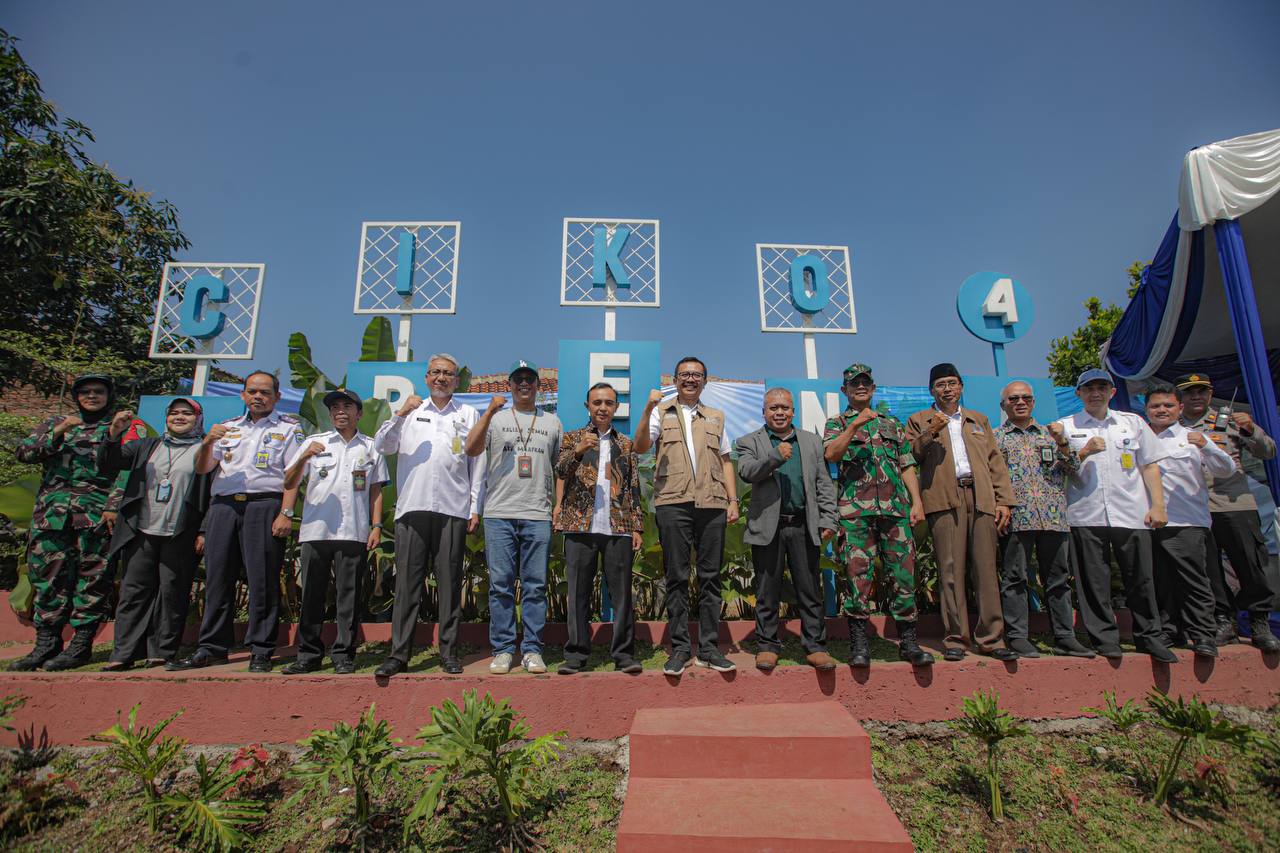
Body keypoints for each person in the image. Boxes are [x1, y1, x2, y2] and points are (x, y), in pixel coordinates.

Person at [170, 371, 303, 673]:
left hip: (264, 505)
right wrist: (207, 443)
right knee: (218, 577)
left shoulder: (288, 430)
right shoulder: (226, 428)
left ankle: (260, 649)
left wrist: (286, 512)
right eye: (252, 391)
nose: (258, 397)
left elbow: (293, 475)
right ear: (243, 395)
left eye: (265, 392)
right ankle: (212, 647)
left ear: (276, 397)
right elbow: (204, 468)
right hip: (224, 507)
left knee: (262, 580)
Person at [372, 354, 483, 677]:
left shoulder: (468, 413)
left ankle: (448, 652)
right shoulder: (410, 412)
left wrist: (475, 506)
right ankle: (399, 654)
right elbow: (383, 446)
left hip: (453, 508)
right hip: (412, 507)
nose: (441, 378)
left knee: (450, 584)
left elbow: (477, 464)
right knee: (408, 584)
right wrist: (400, 413)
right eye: (435, 372)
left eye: (448, 374)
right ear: (426, 377)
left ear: (457, 381)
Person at [1056, 368, 1176, 662]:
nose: (1095, 393)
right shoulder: (1065, 427)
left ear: (1112, 391)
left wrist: (1158, 505)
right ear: (1079, 394)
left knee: (1141, 578)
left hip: (1131, 512)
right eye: (1088, 388)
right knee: (1093, 580)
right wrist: (1080, 450)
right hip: (1086, 513)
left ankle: (1149, 636)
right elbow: (1059, 471)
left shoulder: (1132, 423)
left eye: (1101, 387)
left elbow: (1149, 465)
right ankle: (1104, 638)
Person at [11, 374, 129, 671]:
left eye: (99, 391)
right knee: (48, 578)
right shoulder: (56, 424)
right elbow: (25, 453)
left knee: (92, 579)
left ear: (108, 395)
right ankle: (46, 644)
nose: (92, 396)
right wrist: (61, 430)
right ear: (76, 396)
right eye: (85, 392)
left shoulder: (118, 426)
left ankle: (81, 645)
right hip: (51, 516)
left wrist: (113, 507)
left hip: (95, 515)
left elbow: (127, 470)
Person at [634, 356, 740, 676]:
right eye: (684, 374)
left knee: (710, 578)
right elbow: (640, 447)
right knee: (677, 578)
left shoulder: (717, 417)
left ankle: (709, 648)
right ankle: (680, 648)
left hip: (712, 503)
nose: (690, 379)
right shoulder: (660, 412)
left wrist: (732, 500)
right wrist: (646, 408)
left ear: (705, 381)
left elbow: (725, 461)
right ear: (676, 380)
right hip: (672, 503)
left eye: (696, 375)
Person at [823, 365, 934, 667]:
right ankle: (860, 645)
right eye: (853, 383)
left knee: (903, 575)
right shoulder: (836, 423)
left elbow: (907, 464)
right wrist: (853, 427)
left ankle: (908, 643)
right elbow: (832, 455)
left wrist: (916, 503)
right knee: (857, 576)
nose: (860, 387)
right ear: (844, 390)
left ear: (873, 388)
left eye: (865, 383)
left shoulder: (892, 424)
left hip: (895, 511)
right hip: (856, 513)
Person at [906, 364, 1017, 661]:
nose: (947, 389)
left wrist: (1003, 500)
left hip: (980, 498)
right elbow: (911, 453)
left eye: (952, 383)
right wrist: (932, 431)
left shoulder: (979, 421)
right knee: (950, 571)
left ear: (961, 387)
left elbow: (995, 463)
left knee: (986, 570)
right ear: (931, 390)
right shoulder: (919, 420)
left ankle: (992, 639)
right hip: (943, 500)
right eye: (940, 384)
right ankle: (956, 638)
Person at [96, 397, 212, 670]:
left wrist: (204, 530)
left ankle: (161, 650)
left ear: (198, 419)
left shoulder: (206, 449)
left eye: (187, 413)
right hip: (142, 529)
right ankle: (123, 653)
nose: (180, 417)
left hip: (180, 531)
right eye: (174, 413)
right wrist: (113, 434)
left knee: (172, 591)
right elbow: (109, 462)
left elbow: (212, 492)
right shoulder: (147, 446)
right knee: (133, 591)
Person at [281, 389, 388, 675]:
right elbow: (289, 481)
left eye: (347, 406)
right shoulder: (315, 443)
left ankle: (343, 653)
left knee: (348, 596)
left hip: (353, 531)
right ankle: (308, 654)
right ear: (330, 414)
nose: (341, 411)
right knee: (312, 595)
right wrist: (303, 457)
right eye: (335, 407)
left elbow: (376, 490)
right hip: (316, 530)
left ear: (359, 413)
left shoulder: (370, 447)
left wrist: (376, 526)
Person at [465, 360, 562, 675]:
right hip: (499, 514)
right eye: (518, 379)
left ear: (538, 386)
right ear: (509, 385)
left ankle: (532, 650)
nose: (524, 384)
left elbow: (560, 468)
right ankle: (504, 650)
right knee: (501, 586)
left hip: (537, 514)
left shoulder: (552, 422)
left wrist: (557, 506)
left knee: (535, 586)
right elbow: (471, 448)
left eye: (529, 380)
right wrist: (489, 413)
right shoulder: (495, 419)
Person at [1177, 373, 1279, 652]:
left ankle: (1259, 622)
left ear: (1210, 394)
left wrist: (1250, 430)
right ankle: (1225, 621)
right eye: (1189, 392)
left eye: (1201, 391)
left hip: (1235, 503)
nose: (1195, 397)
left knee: (1250, 563)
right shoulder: (1174, 428)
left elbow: (1267, 451)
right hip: (1195, 508)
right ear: (1180, 398)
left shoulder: (1230, 420)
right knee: (1209, 569)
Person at [739, 388, 839, 671]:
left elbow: (823, 483)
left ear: (793, 411)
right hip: (767, 528)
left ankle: (815, 646)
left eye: (784, 407)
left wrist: (829, 519)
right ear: (764, 412)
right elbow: (747, 472)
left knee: (809, 589)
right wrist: (775, 457)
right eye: (773, 408)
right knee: (766, 590)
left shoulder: (811, 442)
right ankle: (767, 646)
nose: (779, 412)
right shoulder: (750, 441)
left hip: (803, 526)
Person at [993, 381, 1093, 658]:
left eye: (1025, 398)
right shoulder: (996, 438)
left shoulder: (1051, 435)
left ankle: (1064, 636)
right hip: (1017, 518)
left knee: (1058, 579)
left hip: (1052, 516)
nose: (1020, 402)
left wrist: (1062, 441)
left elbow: (1073, 469)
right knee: (1015, 579)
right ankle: (1018, 636)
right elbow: (991, 478)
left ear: (1034, 402)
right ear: (1003, 406)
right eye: (1013, 399)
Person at [553, 382, 644, 674]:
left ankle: (623, 655)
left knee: (621, 595)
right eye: (596, 403)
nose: (602, 408)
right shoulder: (572, 438)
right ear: (587, 407)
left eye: (608, 403)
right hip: (580, 525)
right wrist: (577, 452)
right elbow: (559, 472)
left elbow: (633, 488)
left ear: (616, 407)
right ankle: (577, 655)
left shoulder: (626, 444)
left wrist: (637, 527)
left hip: (618, 527)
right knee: (578, 593)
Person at [1144, 383, 1235, 658]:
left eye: (1168, 405)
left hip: (1185, 523)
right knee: (1160, 581)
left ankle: (1203, 634)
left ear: (1179, 408)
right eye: (1155, 406)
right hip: (1146, 523)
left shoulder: (1192, 437)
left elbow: (1226, 469)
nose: (1162, 410)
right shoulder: (1139, 438)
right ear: (1146, 410)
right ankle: (1170, 631)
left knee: (1194, 581)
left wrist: (1207, 445)